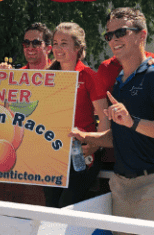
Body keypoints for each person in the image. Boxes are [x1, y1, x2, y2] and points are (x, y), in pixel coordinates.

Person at [71, 8, 154, 230]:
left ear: (142, 36)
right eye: (109, 35)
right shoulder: (120, 82)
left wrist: (132, 122)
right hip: (122, 185)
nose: (113, 39)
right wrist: (87, 137)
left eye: (121, 32)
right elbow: (119, 136)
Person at [42, 22, 103, 208]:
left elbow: (104, 118)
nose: (58, 48)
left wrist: (95, 145)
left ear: (78, 47)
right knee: (52, 208)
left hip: (81, 152)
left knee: (67, 206)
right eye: (55, 43)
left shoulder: (89, 76)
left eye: (64, 43)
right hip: (53, 151)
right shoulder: (46, 77)